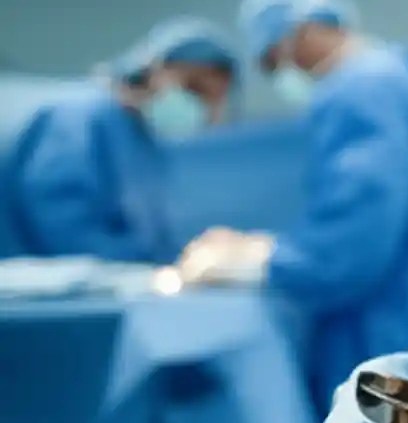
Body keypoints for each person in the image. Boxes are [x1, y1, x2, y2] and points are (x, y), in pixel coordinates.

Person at [181, 0, 408, 409]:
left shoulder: (362, 90)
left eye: (276, 59)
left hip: (382, 333)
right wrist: (263, 247)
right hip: (399, 314)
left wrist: (262, 263)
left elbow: (354, 245)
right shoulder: (387, 77)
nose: (281, 75)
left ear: (305, 31)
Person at [9, 17, 238, 263]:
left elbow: (148, 233)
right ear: (151, 69)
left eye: (211, 100)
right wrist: (133, 265)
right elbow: (61, 223)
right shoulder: (82, 119)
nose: (199, 107)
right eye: (194, 89)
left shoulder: (141, 139)